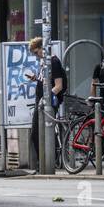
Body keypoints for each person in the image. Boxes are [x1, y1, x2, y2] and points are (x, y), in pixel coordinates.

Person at [26, 36, 66, 172]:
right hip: (41, 101)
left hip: (45, 103)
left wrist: (45, 99)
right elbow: (46, 81)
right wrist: (36, 79)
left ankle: (46, 162)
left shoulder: (53, 62)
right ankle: (45, 161)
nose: (36, 56)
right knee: (39, 132)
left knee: (37, 133)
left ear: (44, 48)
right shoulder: (45, 62)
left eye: (36, 52)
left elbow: (58, 86)